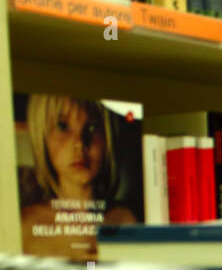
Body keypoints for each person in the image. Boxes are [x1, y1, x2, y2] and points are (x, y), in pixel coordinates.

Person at [18, 95, 137, 259]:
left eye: (92, 127)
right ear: (42, 136)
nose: (80, 143)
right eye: (62, 126)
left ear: (107, 135)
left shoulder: (127, 219)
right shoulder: (24, 227)